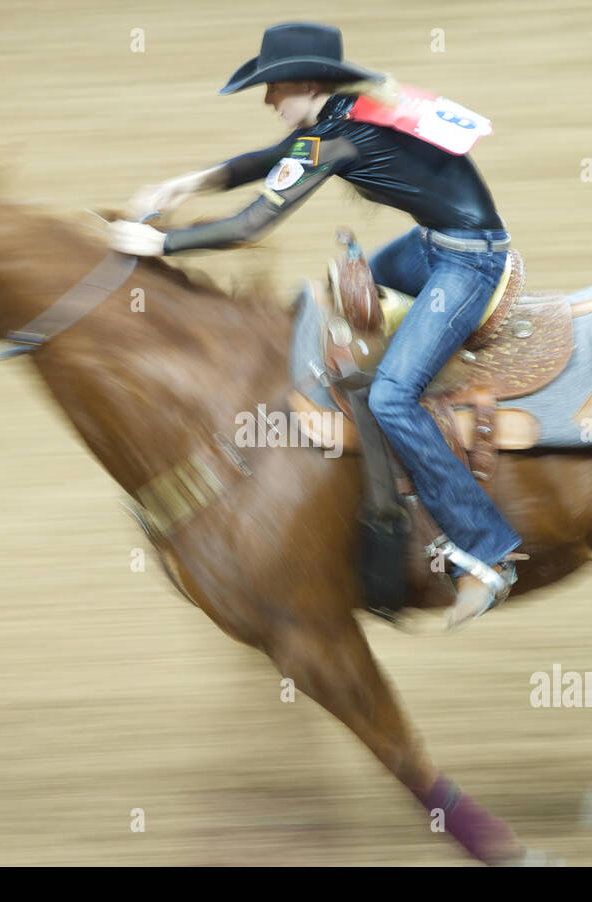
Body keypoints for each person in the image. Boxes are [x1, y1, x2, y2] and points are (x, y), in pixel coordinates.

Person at [108, 21, 525, 630]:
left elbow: (251, 226)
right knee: (337, 303)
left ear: (303, 84)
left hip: (467, 262)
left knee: (392, 396)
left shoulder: (334, 140)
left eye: (272, 88)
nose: (268, 100)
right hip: (434, 243)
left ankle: (486, 549)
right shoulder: (348, 113)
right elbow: (273, 160)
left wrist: (159, 241)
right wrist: (192, 181)